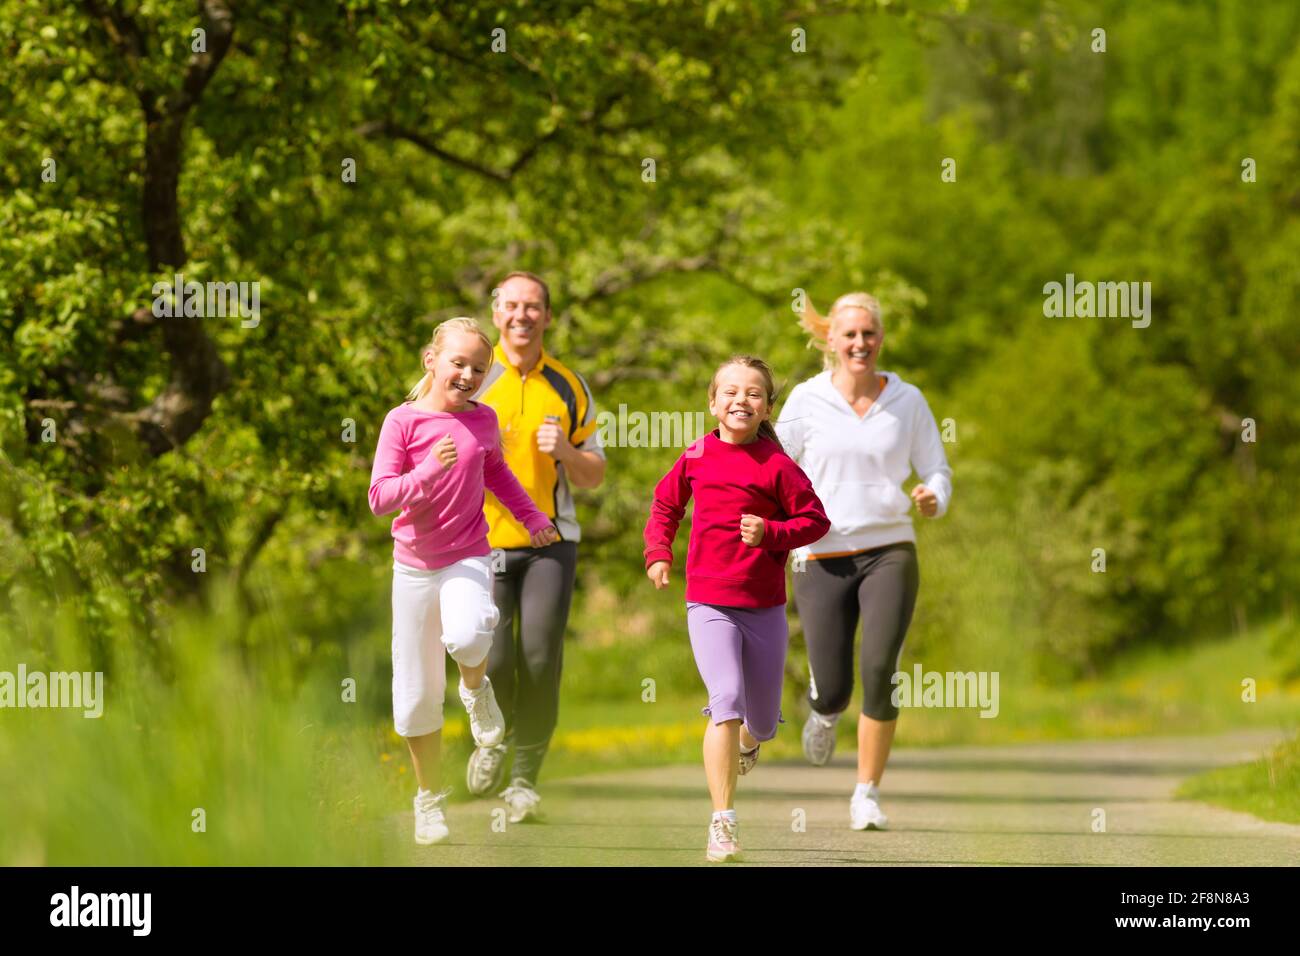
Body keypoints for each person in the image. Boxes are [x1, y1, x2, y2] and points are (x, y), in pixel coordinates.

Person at [369, 317, 558, 845]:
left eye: (479, 368)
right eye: (459, 364)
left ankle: (475, 689)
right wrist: (427, 470)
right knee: (415, 695)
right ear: (432, 361)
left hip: (468, 556)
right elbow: (379, 498)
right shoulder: (400, 423)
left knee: (471, 633)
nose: (469, 375)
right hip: (412, 568)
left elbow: (496, 472)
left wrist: (534, 518)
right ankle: (429, 801)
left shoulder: (483, 420)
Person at [776, 292, 952, 831]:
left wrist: (931, 497)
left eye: (869, 334)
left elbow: (939, 471)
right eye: (849, 335)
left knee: (880, 669)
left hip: (889, 549)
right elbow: (773, 469)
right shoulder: (805, 401)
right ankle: (824, 711)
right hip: (819, 554)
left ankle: (867, 792)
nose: (860, 344)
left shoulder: (908, 400)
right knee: (833, 686)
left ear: (881, 340)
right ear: (830, 340)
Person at [645, 355, 830, 862]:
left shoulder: (778, 466)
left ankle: (752, 740)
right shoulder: (698, 455)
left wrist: (771, 533)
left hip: (764, 605)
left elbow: (816, 521)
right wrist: (658, 554)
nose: (740, 400)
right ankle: (722, 823)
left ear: (767, 406)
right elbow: (665, 506)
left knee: (763, 722)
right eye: (729, 391)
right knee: (725, 697)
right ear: (712, 403)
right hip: (708, 600)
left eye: (752, 393)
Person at [464, 272, 606, 823]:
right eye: (512, 306)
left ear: (547, 317)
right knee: (491, 655)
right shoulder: (472, 375)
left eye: (534, 307)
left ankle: (524, 778)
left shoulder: (569, 385)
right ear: (496, 313)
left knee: (540, 657)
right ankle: (489, 740)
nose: (522, 316)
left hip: (551, 541)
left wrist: (567, 452)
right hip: (479, 543)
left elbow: (594, 473)